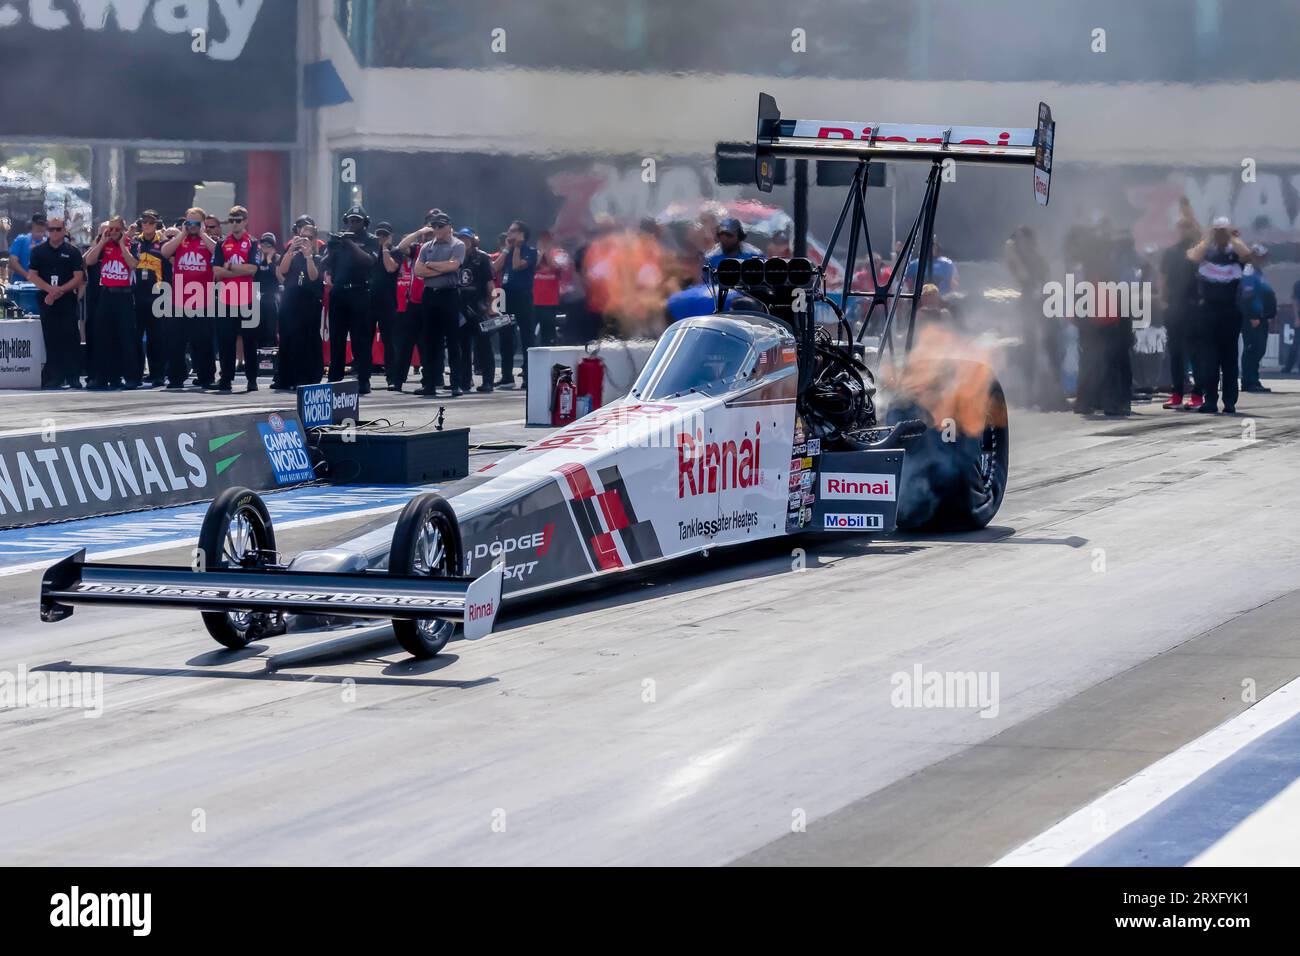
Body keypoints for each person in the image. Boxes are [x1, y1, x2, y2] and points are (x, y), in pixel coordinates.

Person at [1187, 216, 1252, 414]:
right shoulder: (1207, 252)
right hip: (1208, 311)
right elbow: (1192, 256)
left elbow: (1247, 255)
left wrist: (1231, 236)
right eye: (1218, 231)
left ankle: (1230, 401)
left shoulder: (1235, 254)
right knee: (1210, 360)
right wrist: (1209, 237)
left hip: (1230, 311)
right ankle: (1210, 400)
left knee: (1230, 360)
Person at [1004, 226, 1063, 409]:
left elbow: (1043, 280)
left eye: (1023, 240)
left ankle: (1051, 393)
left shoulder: (1037, 258)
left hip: (1042, 308)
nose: (1020, 244)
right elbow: (1021, 275)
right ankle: (1032, 394)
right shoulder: (1017, 258)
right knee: (1031, 352)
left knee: (1049, 349)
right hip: (1031, 308)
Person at [323, 205, 380, 394]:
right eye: (351, 220)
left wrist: (350, 243)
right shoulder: (338, 239)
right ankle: (335, 378)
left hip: (360, 292)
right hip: (339, 292)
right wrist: (331, 248)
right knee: (337, 338)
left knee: (360, 339)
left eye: (357, 220)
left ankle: (363, 379)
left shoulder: (371, 240)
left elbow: (369, 261)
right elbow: (323, 264)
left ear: (365, 222)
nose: (353, 223)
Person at [160, 207, 218, 389]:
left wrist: (201, 233)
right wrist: (182, 233)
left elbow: (218, 252)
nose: (192, 226)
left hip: (202, 298)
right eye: (189, 222)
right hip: (179, 298)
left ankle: (206, 377)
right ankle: (176, 378)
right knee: (176, 341)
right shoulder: (180, 240)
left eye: (196, 223)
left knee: (202, 341)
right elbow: (165, 252)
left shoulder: (209, 240)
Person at [26, 215, 85, 389]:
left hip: (66, 298)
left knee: (70, 336)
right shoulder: (38, 251)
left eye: (58, 229)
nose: (54, 233)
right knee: (52, 338)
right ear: (47, 231)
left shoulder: (72, 251)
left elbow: (78, 277)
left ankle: (73, 376)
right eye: (51, 229)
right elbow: (32, 275)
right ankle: (55, 376)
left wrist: (61, 290)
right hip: (47, 299)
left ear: (64, 231)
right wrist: (49, 289)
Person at [81, 216, 140, 389]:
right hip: (106, 294)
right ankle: (102, 377)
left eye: (116, 229)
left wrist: (121, 244)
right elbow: (88, 261)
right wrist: (102, 241)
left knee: (126, 337)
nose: (113, 232)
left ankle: (131, 377)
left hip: (124, 295)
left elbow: (133, 264)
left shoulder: (132, 244)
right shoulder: (103, 243)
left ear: (122, 229)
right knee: (102, 337)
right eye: (110, 229)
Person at [413, 211, 465, 397]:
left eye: (441, 226)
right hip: (430, 295)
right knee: (429, 341)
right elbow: (418, 270)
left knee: (452, 340)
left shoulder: (458, 245)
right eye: (435, 226)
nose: (438, 230)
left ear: (450, 226)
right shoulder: (427, 246)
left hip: (449, 295)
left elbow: (453, 267)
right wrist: (441, 267)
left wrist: (431, 265)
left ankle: (455, 384)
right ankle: (429, 383)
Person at [211, 205, 260, 392]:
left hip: (248, 298)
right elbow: (216, 271)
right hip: (226, 298)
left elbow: (253, 269)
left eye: (238, 220)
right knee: (225, 341)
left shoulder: (253, 242)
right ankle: (226, 378)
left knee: (249, 340)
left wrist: (229, 267)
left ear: (246, 221)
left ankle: (252, 379)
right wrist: (238, 269)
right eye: (231, 220)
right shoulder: (222, 243)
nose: (234, 224)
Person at [273, 217, 324, 390]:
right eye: (303, 236)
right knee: (287, 337)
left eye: (309, 237)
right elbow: (282, 270)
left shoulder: (317, 257)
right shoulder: (292, 254)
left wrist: (308, 256)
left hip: (308, 302)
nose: (305, 240)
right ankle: (285, 376)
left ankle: (306, 376)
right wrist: (291, 251)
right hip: (290, 300)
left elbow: (313, 276)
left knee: (306, 339)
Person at [1159, 208, 1202, 410]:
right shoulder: (1170, 252)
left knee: (1196, 353)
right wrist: (1164, 300)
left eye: (1187, 227)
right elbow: (1163, 279)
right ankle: (1176, 394)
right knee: (1175, 353)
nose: (1183, 230)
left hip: (1194, 308)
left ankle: (1198, 395)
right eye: (1181, 227)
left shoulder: (1199, 252)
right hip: (1175, 307)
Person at [493, 219, 538, 389]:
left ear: (522, 234)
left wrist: (518, 247)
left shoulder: (531, 252)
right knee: (505, 334)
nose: (509, 233)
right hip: (506, 295)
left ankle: (528, 375)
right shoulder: (507, 251)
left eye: (513, 231)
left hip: (522, 296)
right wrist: (506, 249)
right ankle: (506, 376)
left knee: (527, 335)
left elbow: (518, 266)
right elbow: (494, 268)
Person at [132, 210, 169, 387]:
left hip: (158, 294)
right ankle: (136, 373)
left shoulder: (163, 242)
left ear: (157, 224)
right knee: (136, 336)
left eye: (151, 222)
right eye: (144, 222)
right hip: (137, 294)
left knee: (157, 338)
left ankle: (158, 374)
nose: (147, 225)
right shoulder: (134, 241)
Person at [456, 227, 495, 393]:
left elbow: (490, 284)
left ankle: (488, 381)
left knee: (484, 346)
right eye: (461, 238)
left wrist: (491, 306)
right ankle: (465, 381)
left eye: (466, 238)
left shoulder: (483, 258)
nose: (464, 241)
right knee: (463, 347)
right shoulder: (455, 256)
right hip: (461, 306)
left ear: (473, 240)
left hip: (479, 307)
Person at [1238, 243, 1275, 393]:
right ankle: (1249, 381)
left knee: (1259, 349)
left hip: (1261, 317)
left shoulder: (1258, 272)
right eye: (1260, 257)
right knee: (1252, 348)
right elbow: (1247, 296)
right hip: (1253, 318)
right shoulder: (1249, 271)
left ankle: (1254, 379)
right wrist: (1252, 315)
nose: (1263, 260)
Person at [370, 221, 401, 390]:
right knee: (365, 340)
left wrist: (385, 249)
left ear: (390, 236)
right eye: (379, 235)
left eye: (384, 235)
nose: (381, 238)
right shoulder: (370, 252)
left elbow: (390, 268)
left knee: (389, 341)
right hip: (370, 301)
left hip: (387, 302)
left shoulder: (395, 252)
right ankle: (363, 376)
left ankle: (392, 377)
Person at [533, 230, 569, 346]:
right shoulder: (533, 254)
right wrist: (540, 253)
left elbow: (556, 268)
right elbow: (531, 269)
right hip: (533, 301)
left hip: (549, 302)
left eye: (547, 240)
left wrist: (547, 252)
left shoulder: (560, 254)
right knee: (529, 333)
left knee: (548, 334)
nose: (544, 242)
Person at [254, 232, 282, 351]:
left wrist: (270, 260)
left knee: (271, 328)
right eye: (263, 244)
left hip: (271, 297)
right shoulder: (256, 258)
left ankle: (271, 351)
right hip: (258, 296)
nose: (265, 247)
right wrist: (260, 260)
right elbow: (253, 274)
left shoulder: (278, 258)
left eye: (269, 245)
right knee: (258, 329)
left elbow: (278, 276)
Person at [7, 213, 48, 282]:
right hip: (20, 283)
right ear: (32, 226)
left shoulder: (48, 242)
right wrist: (28, 276)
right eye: (38, 225)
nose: (40, 227)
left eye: (43, 225)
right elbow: (12, 262)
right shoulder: (21, 240)